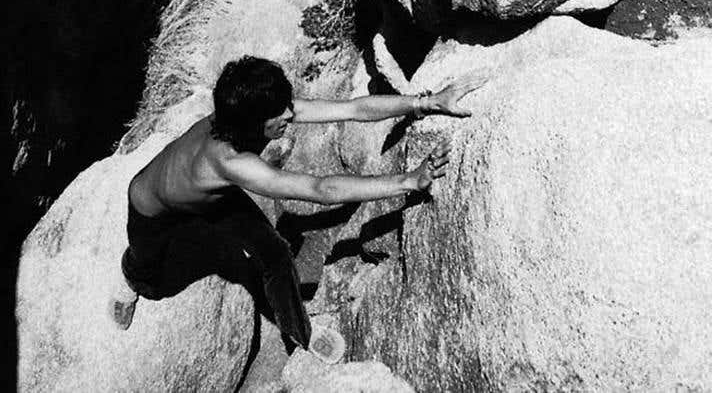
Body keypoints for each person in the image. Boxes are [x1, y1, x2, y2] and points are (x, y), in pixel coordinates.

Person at [112, 55, 486, 362]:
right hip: (153, 208)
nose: (290, 116)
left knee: (276, 254)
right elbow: (320, 190)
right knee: (147, 272)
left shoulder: (252, 112)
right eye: (280, 114)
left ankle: (299, 333)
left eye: (287, 107)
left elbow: (353, 109)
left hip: (212, 198)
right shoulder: (231, 162)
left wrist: (425, 103)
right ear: (255, 122)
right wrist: (408, 181)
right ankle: (131, 276)